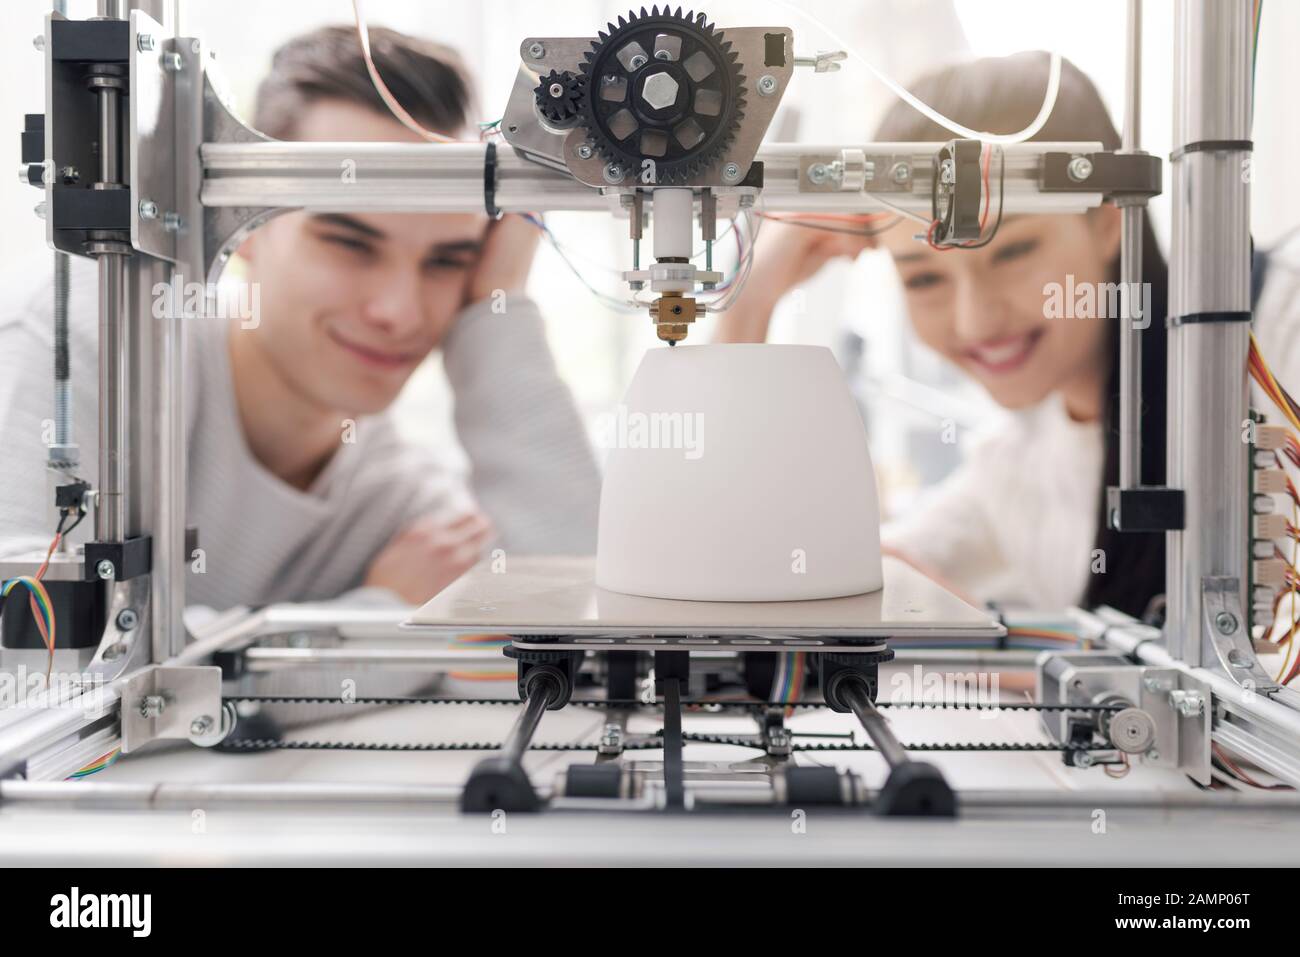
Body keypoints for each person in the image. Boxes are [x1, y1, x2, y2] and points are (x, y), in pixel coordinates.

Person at [0, 25, 599, 611]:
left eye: (447, 261)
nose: (399, 312)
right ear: (239, 224)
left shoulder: (395, 493)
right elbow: (38, 655)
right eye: (350, 243)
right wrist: (375, 613)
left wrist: (497, 306)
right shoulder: (97, 331)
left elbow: (573, 598)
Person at [716, 52, 1172, 619]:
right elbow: (788, 574)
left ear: (1109, 222)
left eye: (1013, 251)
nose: (975, 320)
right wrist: (749, 302)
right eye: (925, 277)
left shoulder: (1275, 339)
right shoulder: (1014, 471)